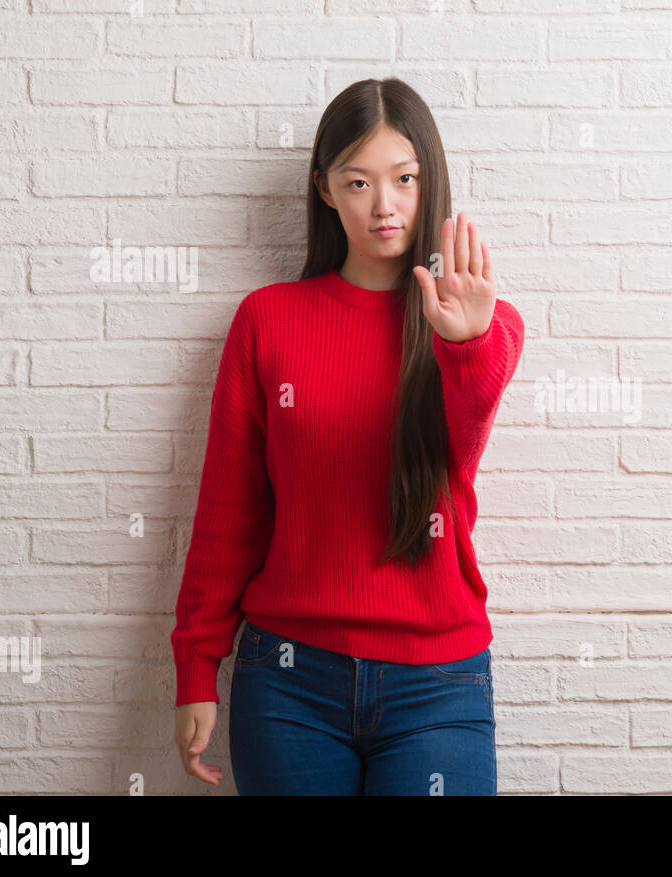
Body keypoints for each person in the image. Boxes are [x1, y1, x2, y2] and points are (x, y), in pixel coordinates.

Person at [169, 77, 524, 795]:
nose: (384, 205)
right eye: (358, 181)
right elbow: (229, 509)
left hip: (438, 683)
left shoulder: (484, 322)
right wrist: (196, 663)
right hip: (289, 681)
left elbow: (463, 443)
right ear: (326, 190)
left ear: (431, 183)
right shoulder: (267, 320)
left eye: (404, 179)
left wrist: (466, 343)